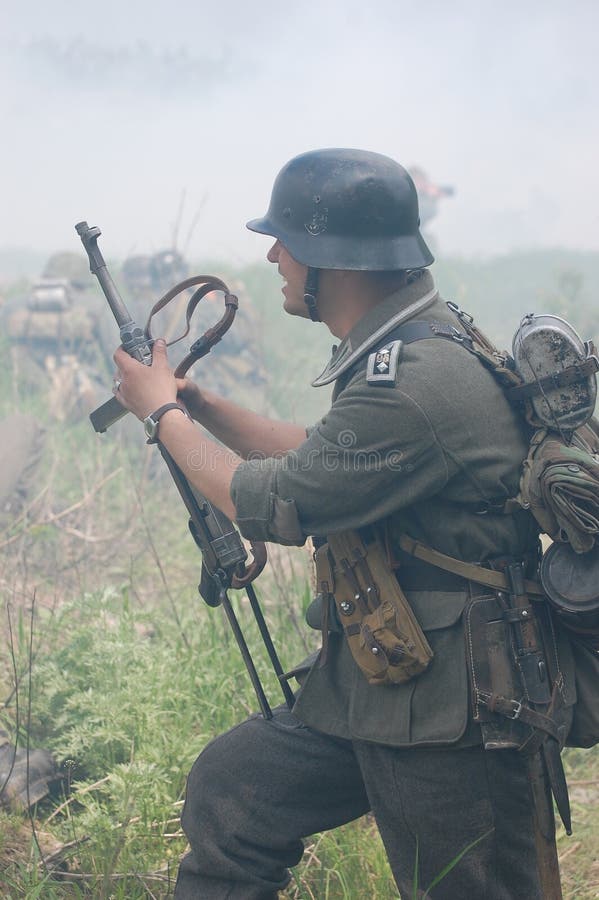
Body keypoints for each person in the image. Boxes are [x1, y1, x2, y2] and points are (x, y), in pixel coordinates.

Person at [113, 149, 575, 899]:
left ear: (337, 261)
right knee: (236, 790)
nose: (272, 255)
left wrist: (161, 414)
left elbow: (275, 502)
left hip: (457, 705)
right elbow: (331, 461)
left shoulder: (414, 381)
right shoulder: (409, 345)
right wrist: (202, 410)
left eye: (286, 238)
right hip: (383, 678)